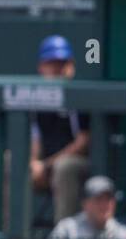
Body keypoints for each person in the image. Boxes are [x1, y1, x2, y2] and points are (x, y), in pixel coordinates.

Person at [30, 35, 90, 223]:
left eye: (62, 63)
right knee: (11, 163)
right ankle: (12, 233)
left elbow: (83, 141)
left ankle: (63, 237)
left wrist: (47, 164)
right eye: (52, 63)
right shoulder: (36, 98)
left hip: (79, 164)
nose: (57, 69)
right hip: (47, 165)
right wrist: (34, 163)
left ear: (71, 66)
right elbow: (36, 140)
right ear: (42, 67)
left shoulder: (78, 96)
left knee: (64, 168)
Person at [46, 176, 126, 239]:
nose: (105, 204)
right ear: (85, 203)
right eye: (99, 199)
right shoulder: (67, 229)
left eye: (109, 199)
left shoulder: (123, 233)